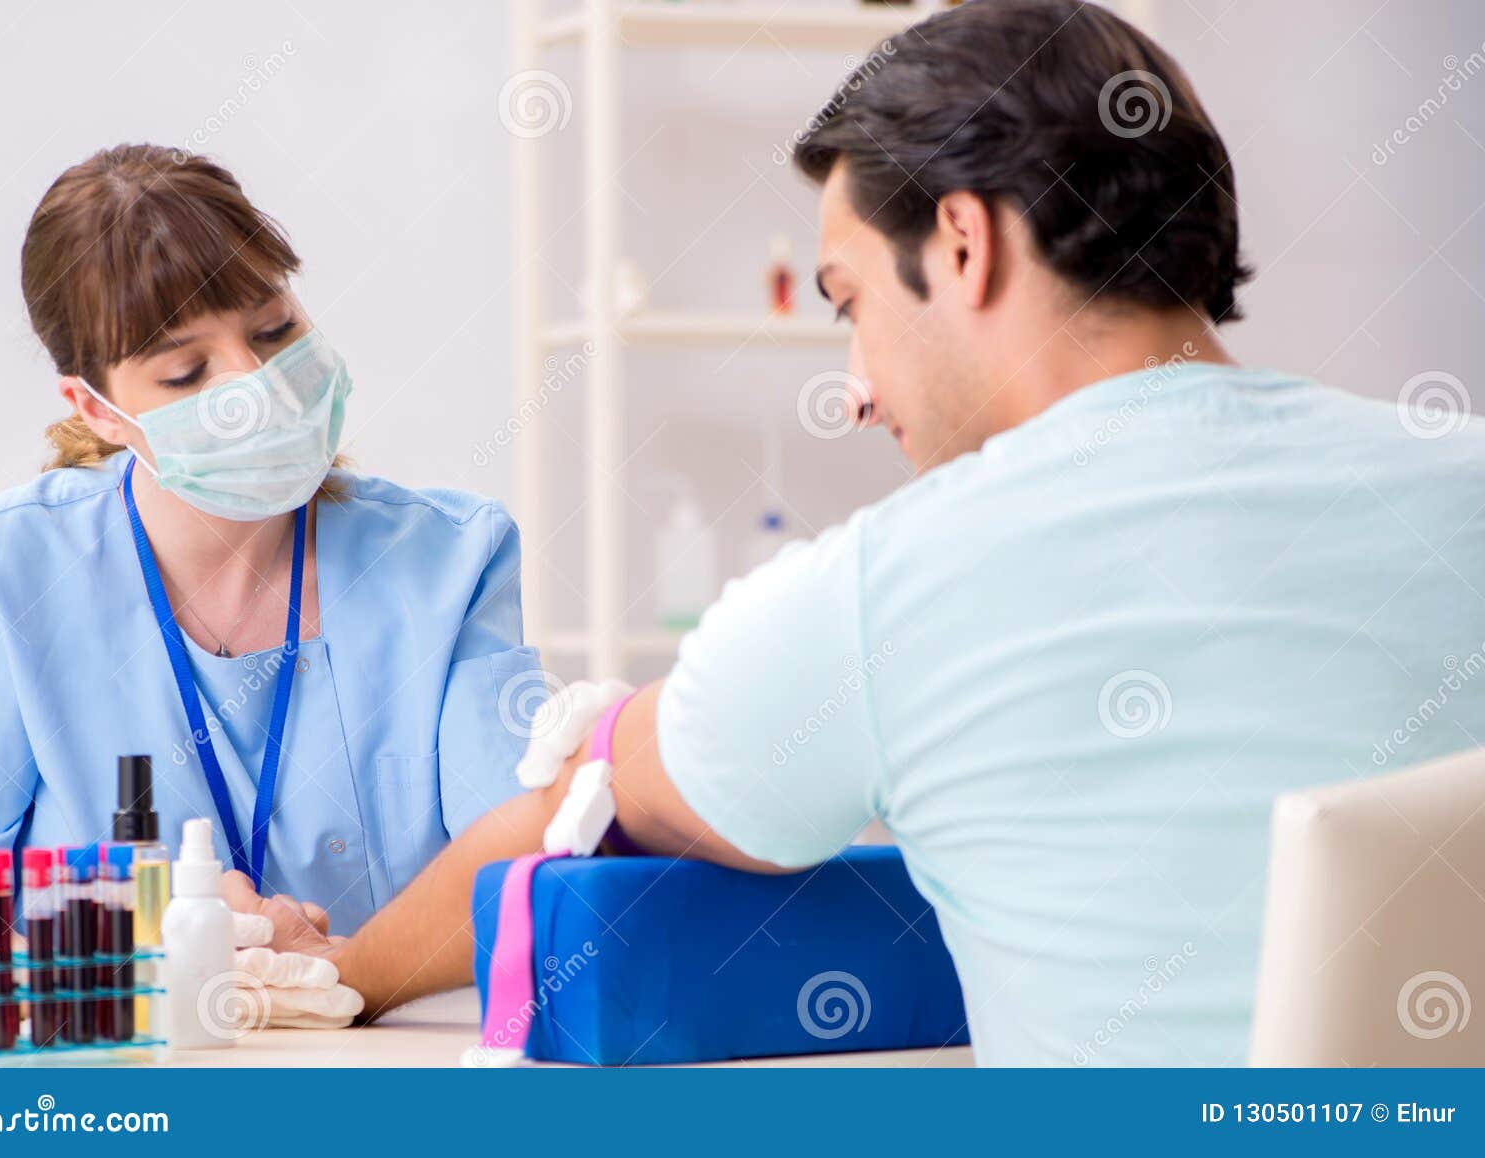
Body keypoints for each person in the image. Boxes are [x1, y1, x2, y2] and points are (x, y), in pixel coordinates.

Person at [232, 0, 1485, 1063]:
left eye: (851, 303)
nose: (857, 386)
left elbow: (588, 791)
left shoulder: (887, 589)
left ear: (960, 242)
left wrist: (349, 971)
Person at [0, 145, 539, 935]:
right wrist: (139, 935)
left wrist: (347, 978)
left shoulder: (453, 559)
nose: (252, 387)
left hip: (396, 1050)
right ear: (96, 408)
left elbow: (520, 868)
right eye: (187, 372)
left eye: (272, 330)